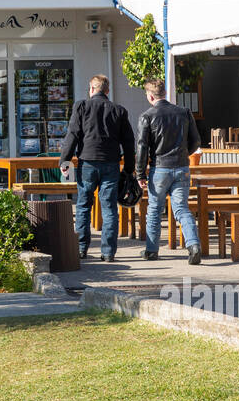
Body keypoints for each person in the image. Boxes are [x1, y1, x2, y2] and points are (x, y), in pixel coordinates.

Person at [59, 74, 136, 263]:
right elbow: (128, 142)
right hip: (111, 163)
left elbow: (73, 135)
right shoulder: (119, 110)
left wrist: (65, 161)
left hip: (87, 163)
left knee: (84, 206)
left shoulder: (81, 106)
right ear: (107, 91)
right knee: (109, 208)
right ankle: (108, 252)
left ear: (91, 89)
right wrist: (129, 168)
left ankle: (81, 249)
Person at [135, 78, 203, 265]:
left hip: (159, 168)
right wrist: (183, 154)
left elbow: (141, 147)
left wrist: (140, 174)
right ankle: (193, 245)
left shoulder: (147, 116)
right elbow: (196, 141)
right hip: (181, 166)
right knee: (181, 209)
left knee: (155, 210)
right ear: (164, 93)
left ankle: (151, 250)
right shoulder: (184, 112)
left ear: (150, 96)